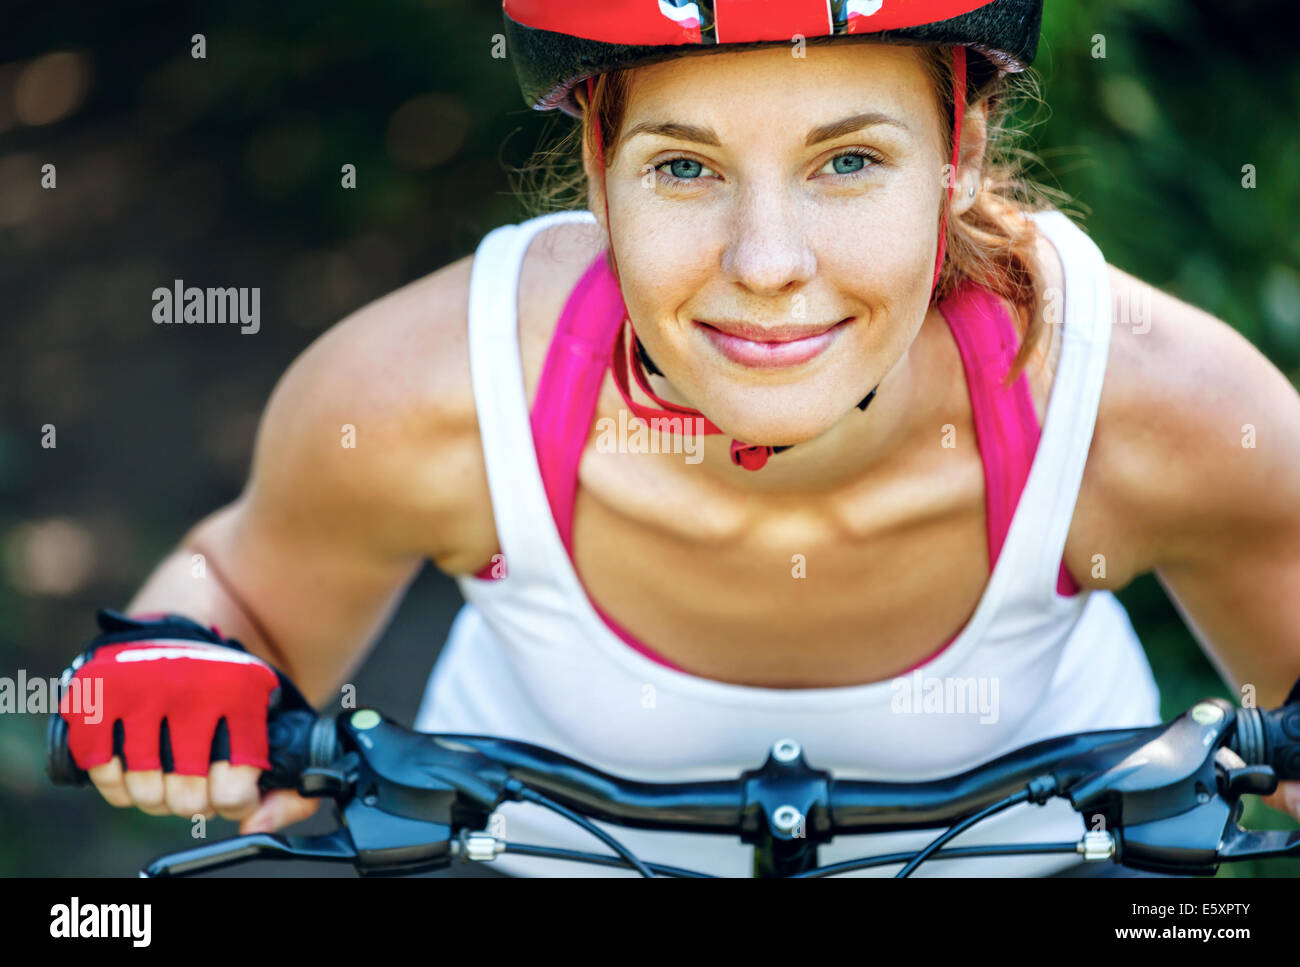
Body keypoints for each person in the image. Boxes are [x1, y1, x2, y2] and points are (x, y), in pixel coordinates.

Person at [62, 0, 1300, 876]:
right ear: (596, 163)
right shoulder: (426, 391)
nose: (767, 265)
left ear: (958, 153)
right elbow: (239, 590)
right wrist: (184, 664)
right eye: (684, 170)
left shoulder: (1144, 405)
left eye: (850, 160)